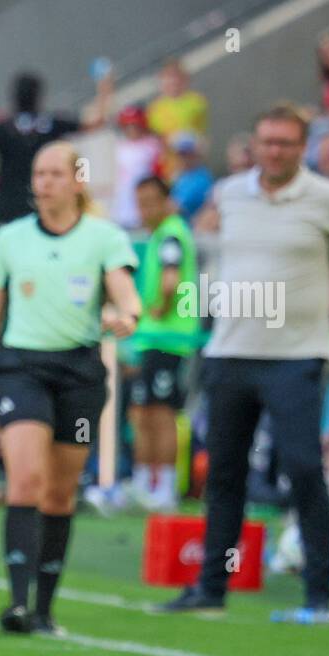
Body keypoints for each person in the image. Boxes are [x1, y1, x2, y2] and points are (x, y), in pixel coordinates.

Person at [157, 103, 329, 623]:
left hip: (295, 355)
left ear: (304, 148)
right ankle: (211, 587)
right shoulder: (229, 194)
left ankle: (319, 594)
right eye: (267, 142)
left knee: (302, 466)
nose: (274, 152)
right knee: (225, 473)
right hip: (231, 350)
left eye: (286, 143)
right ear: (254, 144)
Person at [0, 141, 141, 635]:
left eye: (55, 174)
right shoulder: (10, 239)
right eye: (39, 174)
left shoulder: (104, 238)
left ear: (78, 180)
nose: (43, 183)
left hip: (80, 375)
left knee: (60, 495)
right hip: (22, 369)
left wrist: (125, 316)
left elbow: (127, 296)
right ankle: (17, 604)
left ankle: (44, 608)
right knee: (25, 482)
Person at [125, 176, 199, 512]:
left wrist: (159, 307)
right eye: (140, 202)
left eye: (151, 201)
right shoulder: (163, 234)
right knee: (143, 411)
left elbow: (170, 280)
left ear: (167, 201)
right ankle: (144, 482)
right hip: (155, 338)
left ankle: (164, 488)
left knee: (161, 413)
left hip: (168, 338)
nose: (144, 210)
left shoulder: (171, 234)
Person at [0, 70, 111, 227]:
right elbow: (95, 122)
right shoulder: (52, 123)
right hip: (44, 204)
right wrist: (104, 85)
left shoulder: (3, 127)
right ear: (39, 95)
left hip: (9, 207)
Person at [109, 105, 162, 229]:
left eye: (135, 125)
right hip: (124, 198)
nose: (132, 129)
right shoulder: (119, 146)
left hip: (145, 195)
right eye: (128, 126)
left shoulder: (152, 145)